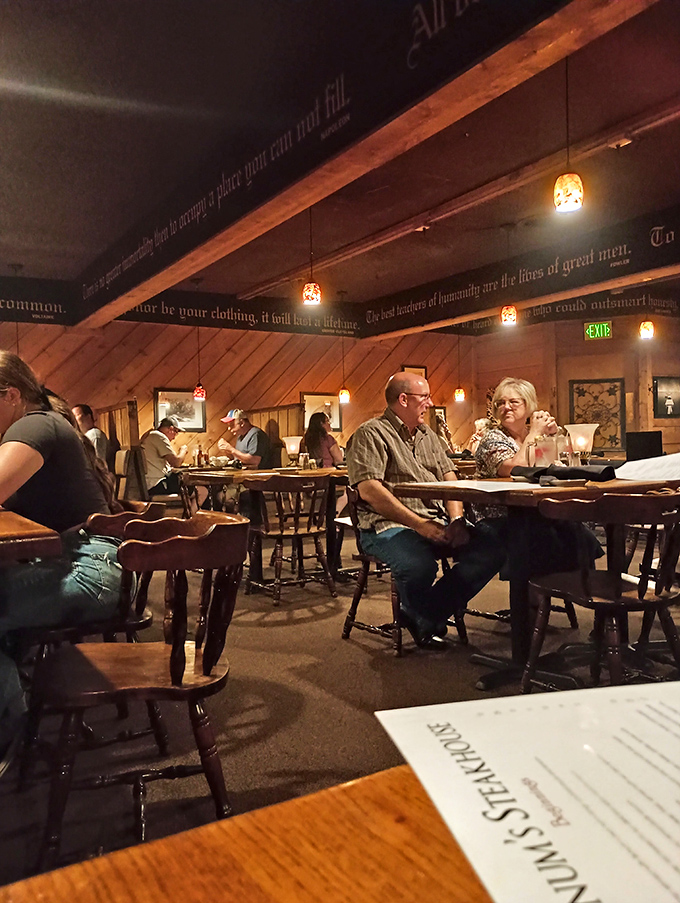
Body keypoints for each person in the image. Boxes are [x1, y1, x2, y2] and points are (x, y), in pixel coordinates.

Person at [0, 352, 126, 768]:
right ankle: (16, 712)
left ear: (10, 395)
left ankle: (11, 728)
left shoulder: (34, 424)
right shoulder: (34, 424)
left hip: (89, 567)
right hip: (75, 559)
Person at [346, 370, 505, 649]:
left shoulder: (427, 435)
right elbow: (369, 489)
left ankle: (422, 613)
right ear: (403, 399)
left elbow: (449, 476)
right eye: (425, 398)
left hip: (436, 521)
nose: (430, 404)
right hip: (386, 525)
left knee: (493, 549)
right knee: (418, 567)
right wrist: (419, 525)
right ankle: (426, 616)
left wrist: (456, 519)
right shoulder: (370, 433)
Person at [474, 376, 602, 572]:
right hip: (500, 515)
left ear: (529, 405)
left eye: (513, 402)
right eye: (500, 403)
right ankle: (533, 596)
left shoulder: (535, 436)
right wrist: (535, 432)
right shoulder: (492, 438)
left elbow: (566, 464)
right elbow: (514, 468)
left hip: (535, 510)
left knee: (579, 534)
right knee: (544, 538)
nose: (506, 407)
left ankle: (574, 590)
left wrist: (554, 435)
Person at [141, 415, 188, 495]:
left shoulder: (151, 435)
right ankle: (195, 507)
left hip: (150, 484)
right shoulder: (158, 436)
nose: (174, 438)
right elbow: (176, 463)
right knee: (200, 490)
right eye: (176, 433)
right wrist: (183, 451)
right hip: (157, 484)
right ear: (171, 429)